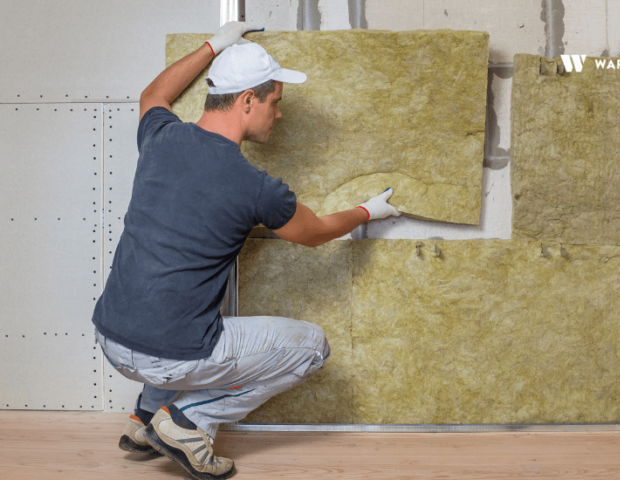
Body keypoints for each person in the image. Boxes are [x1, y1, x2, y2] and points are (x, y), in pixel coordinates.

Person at [92, 22, 400, 480]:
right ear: (248, 101)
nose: (279, 114)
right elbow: (315, 233)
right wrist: (366, 212)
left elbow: (153, 95)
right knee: (312, 347)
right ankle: (185, 423)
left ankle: (143, 420)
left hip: (111, 338)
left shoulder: (160, 138)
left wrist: (214, 45)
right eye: (275, 102)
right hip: (167, 356)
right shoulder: (254, 187)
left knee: (180, 314)